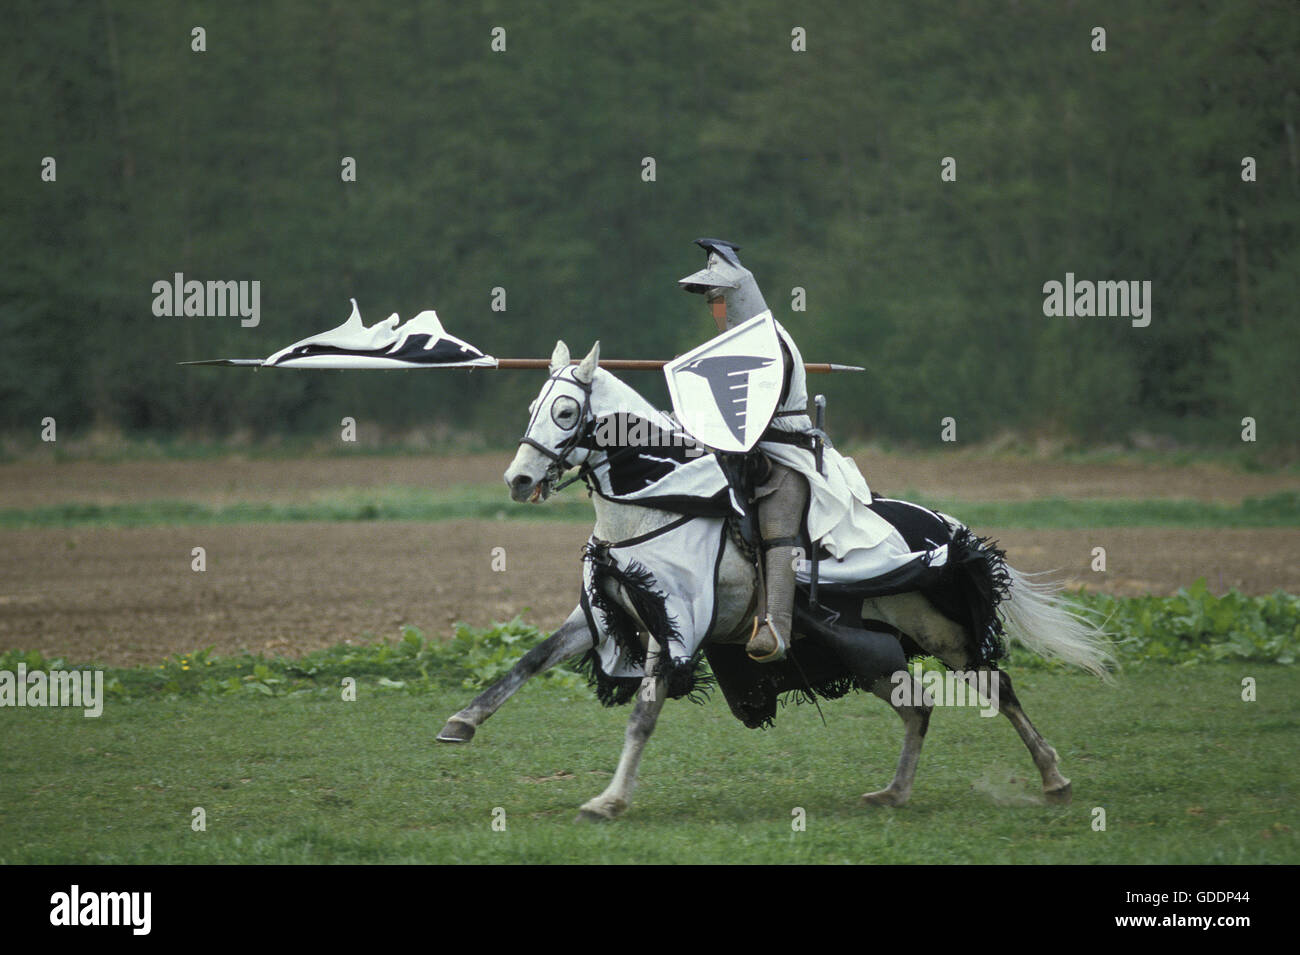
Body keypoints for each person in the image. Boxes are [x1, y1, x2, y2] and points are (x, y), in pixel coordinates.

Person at [678, 239, 889, 662]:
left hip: (784, 453)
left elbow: (756, 410)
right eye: (709, 303)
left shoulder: (767, 343)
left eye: (717, 300)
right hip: (743, 452)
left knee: (776, 521)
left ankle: (775, 626)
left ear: (738, 297)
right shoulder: (733, 345)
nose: (713, 310)